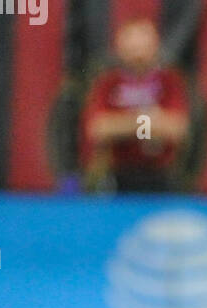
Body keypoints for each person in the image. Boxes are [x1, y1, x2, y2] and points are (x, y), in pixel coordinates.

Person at [80, 18, 190, 193]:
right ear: (119, 47)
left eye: (143, 45)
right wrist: (148, 120)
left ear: (155, 45)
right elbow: (98, 128)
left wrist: (123, 124)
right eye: (132, 46)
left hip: (160, 175)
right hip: (118, 175)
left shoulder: (169, 81)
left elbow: (177, 129)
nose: (137, 53)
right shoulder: (108, 83)